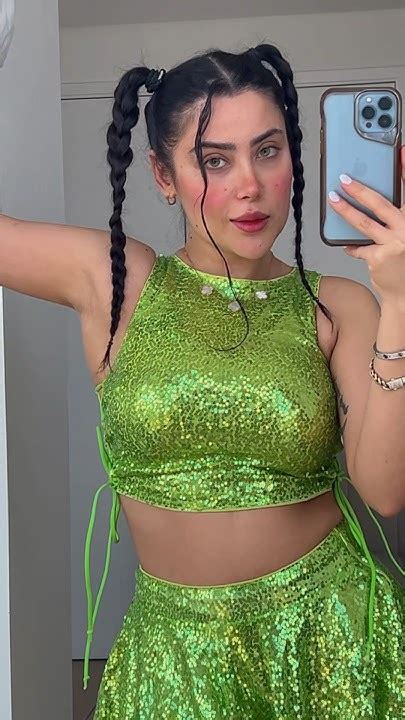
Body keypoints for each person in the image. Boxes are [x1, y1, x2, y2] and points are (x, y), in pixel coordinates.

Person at [1, 42, 403, 719]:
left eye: (268, 151)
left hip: (328, 636)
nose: (249, 185)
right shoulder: (117, 280)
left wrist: (400, 303)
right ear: (164, 175)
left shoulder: (338, 305)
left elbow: (385, 492)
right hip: (171, 654)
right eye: (215, 160)